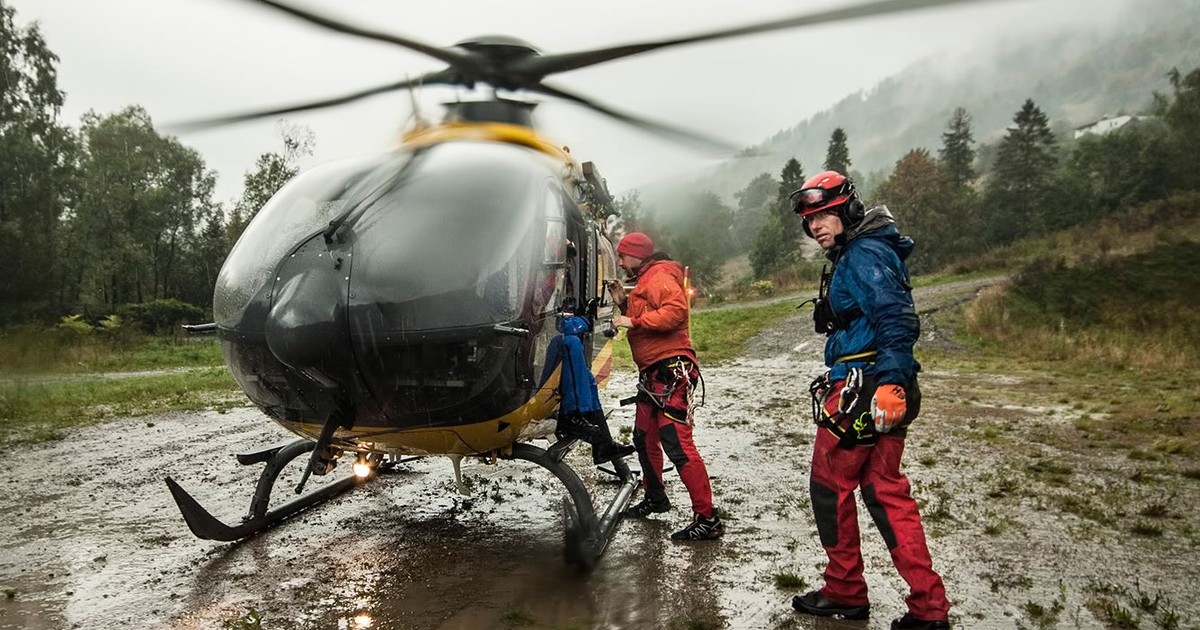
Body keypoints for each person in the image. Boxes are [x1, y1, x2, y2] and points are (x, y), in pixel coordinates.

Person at [788, 171, 951, 630]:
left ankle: (845, 589)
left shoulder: (865, 254)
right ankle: (928, 608)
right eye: (809, 220)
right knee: (886, 491)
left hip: (864, 386)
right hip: (877, 384)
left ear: (847, 210)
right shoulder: (862, 250)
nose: (815, 225)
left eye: (823, 215)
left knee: (829, 486)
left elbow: (896, 316)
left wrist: (892, 382)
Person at [608, 231, 722, 541]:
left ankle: (707, 518)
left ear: (638, 255)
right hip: (653, 373)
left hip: (671, 372)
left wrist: (633, 322)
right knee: (644, 438)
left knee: (676, 442)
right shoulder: (647, 277)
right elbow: (648, 309)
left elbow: (675, 311)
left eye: (623, 255)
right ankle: (656, 498)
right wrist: (624, 305)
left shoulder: (659, 275)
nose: (620, 261)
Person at [541, 304, 636, 465]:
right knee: (569, 343)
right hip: (533, 357)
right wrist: (587, 319)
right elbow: (561, 325)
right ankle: (571, 417)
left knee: (588, 381)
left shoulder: (564, 289)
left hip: (552, 358)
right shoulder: (544, 288)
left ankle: (604, 444)